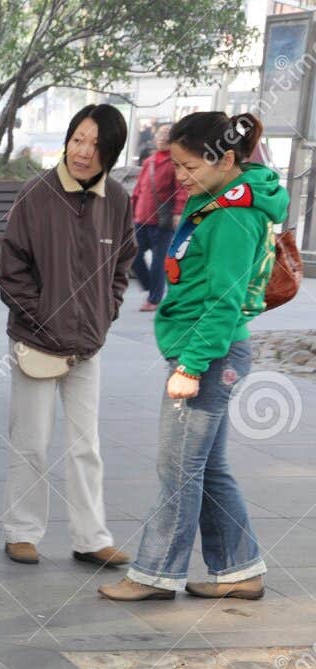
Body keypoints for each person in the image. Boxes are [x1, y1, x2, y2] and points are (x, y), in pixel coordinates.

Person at [100, 112, 286, 602]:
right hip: (206, 348)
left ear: (225, 159)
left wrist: (190, 366)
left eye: (188, 166)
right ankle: (239, 569)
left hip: (208, 354)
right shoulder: (216, 198)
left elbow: (222, 299)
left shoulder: (232, 215)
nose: (179, 176)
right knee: (207, 467)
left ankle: (156, 573)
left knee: (178, 469)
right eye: (175, 165)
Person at [0, 104, 137, 569]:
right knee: (31, 441)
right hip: (36, 342)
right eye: (78, 138)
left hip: (87, 346)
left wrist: (105, 312)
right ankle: (22, 531)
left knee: (86, 445)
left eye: (95, 144)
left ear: (111, 152)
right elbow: (12, 270)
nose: (83, 151)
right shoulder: (35, 194)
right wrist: (43, 321)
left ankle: (90, 536)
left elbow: (123, 265)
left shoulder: (116, 199)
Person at [130, 122, 188, 312]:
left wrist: (178, 212)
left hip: (162, 221)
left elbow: (181, 190)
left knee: (158, 261)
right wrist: (131, 210)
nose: (162, 138)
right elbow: (139, 188)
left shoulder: (175, 162)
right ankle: (151, 287)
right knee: (133, 256)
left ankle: (154, 299)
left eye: (166, 135)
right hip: (141, 218)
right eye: (160, 134)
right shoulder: (150, 161)